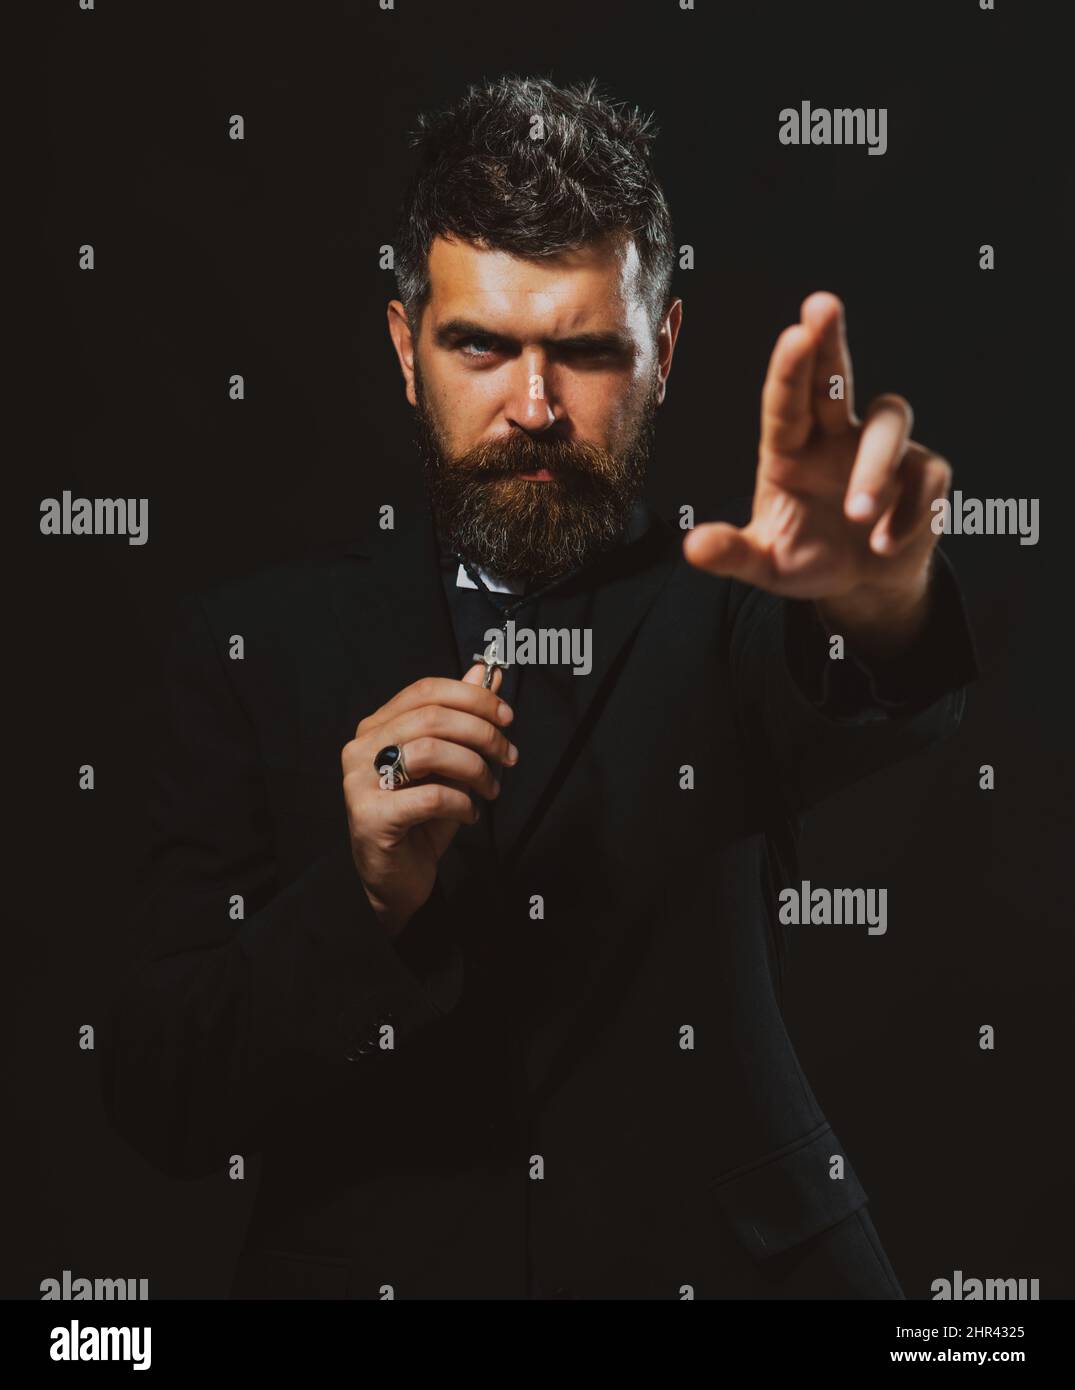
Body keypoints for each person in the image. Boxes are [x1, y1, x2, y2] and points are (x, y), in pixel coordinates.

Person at [101, 75, 979, 1299]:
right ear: (406, 348)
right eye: (480, 344)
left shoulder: (729, 604)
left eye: (582, 350)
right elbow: (160, 1093)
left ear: (661, 350)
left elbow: (858, 686)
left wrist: (878, 603)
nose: (532, 407)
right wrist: (360, 898)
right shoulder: (249, 646)